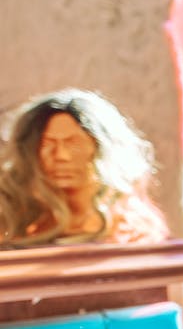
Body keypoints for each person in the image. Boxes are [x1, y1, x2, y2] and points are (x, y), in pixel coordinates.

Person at [0, 88, 168, 247]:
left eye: (74, 144)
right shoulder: (17, 224)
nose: (61, 156)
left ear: (103, 149)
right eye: (47, 144)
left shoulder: (131, 229)